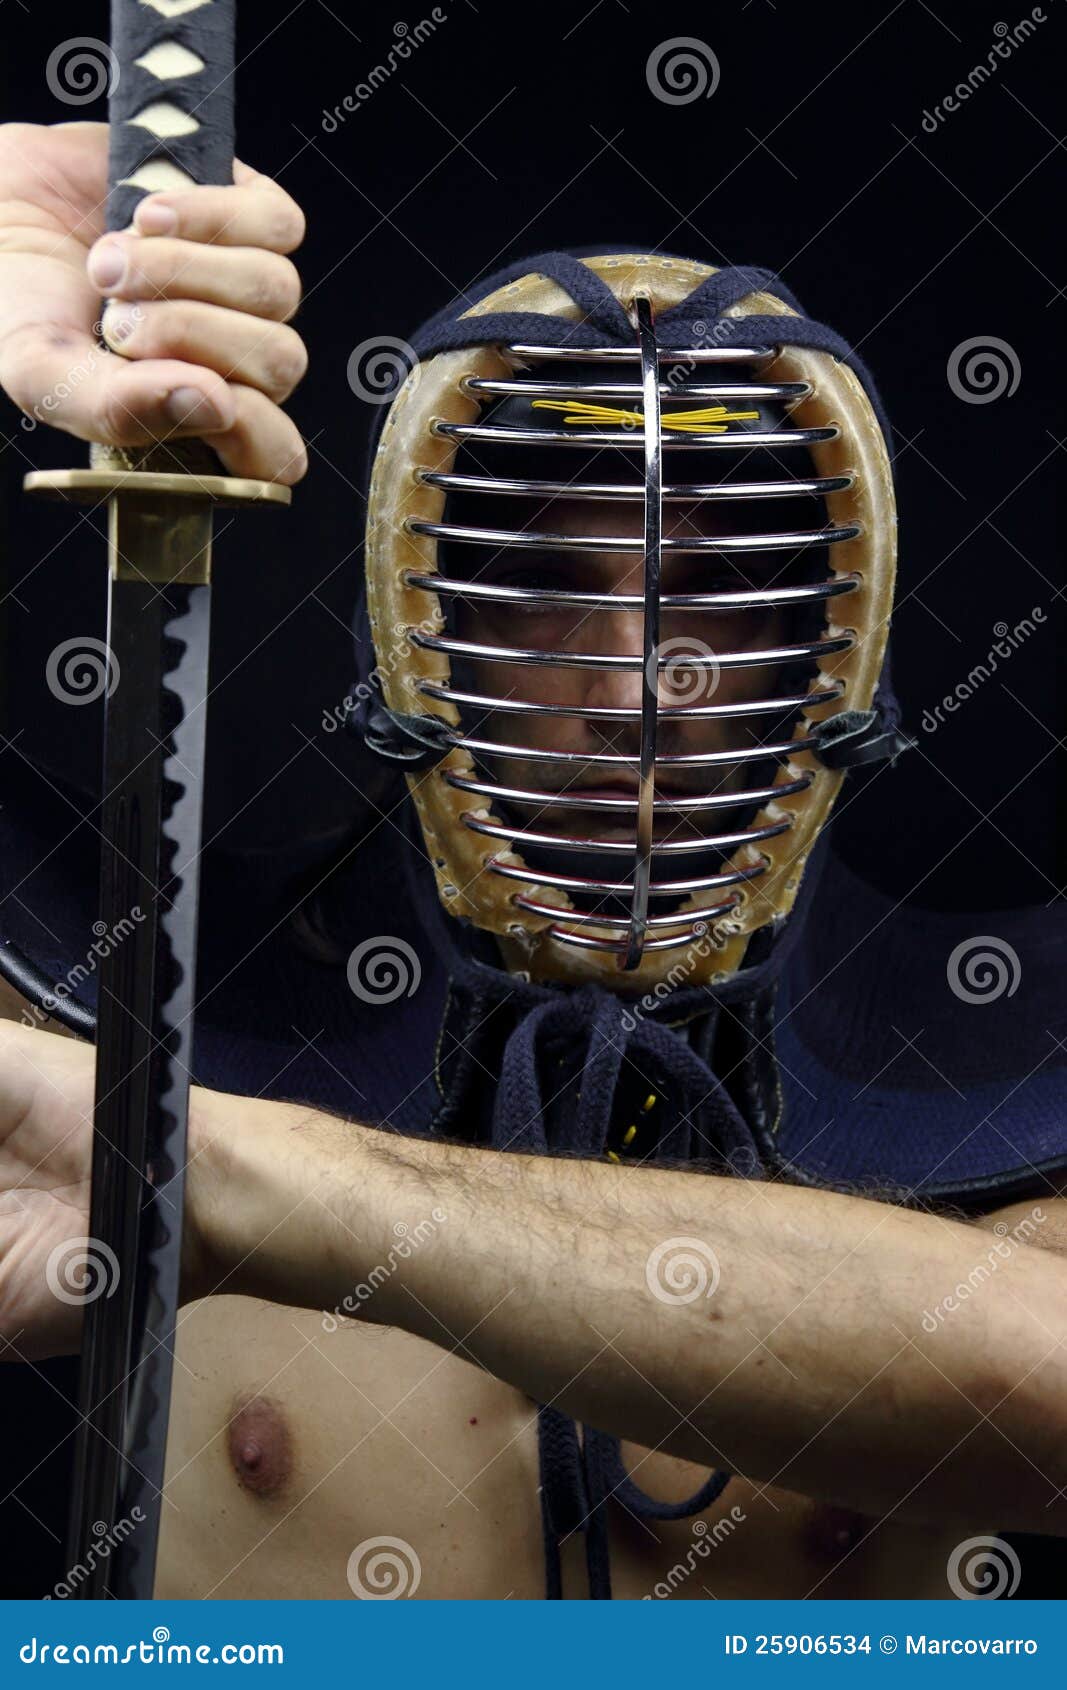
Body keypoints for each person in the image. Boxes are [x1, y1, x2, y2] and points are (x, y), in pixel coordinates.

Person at [2, 121, 1066, 1603]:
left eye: (716, 589)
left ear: (835, 640)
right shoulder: (126, 1003)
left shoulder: (997, 1063)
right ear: (411, 634)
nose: (640, 683)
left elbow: (1044, 1381)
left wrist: (230, 1168)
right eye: (546, 588)